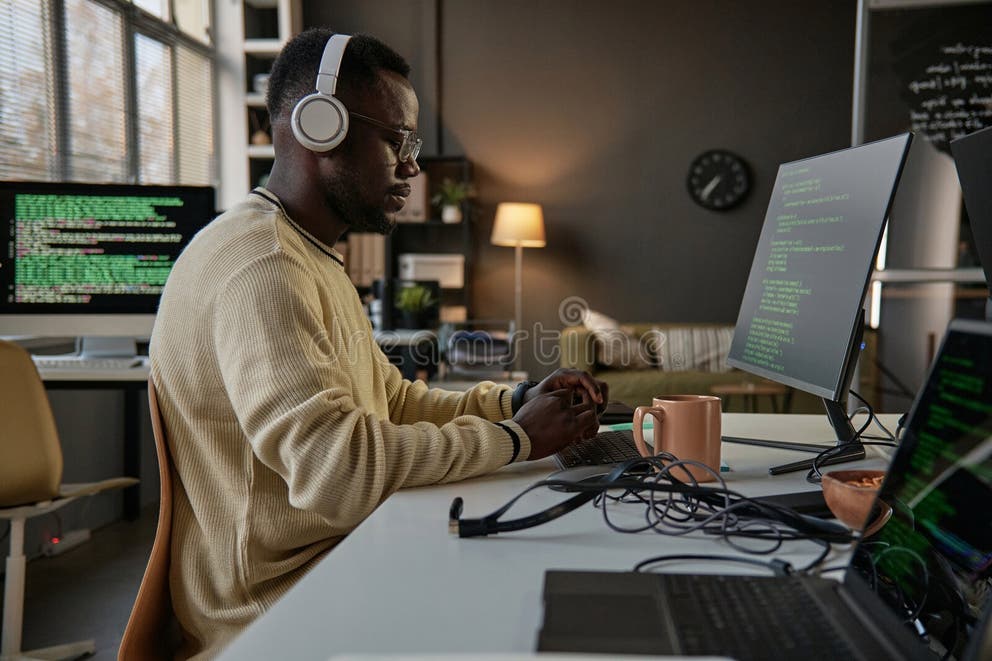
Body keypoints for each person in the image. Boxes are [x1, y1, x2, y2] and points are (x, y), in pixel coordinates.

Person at [149, 28, 608, 659]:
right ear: (320, 127)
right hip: (280, 611)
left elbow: (393, 404)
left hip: (335, 562)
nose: (413, 167)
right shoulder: (261, 267)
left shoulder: (308, 257)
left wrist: (516, 401)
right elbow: (336, 472)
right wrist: (519, 439)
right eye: (398, 141)